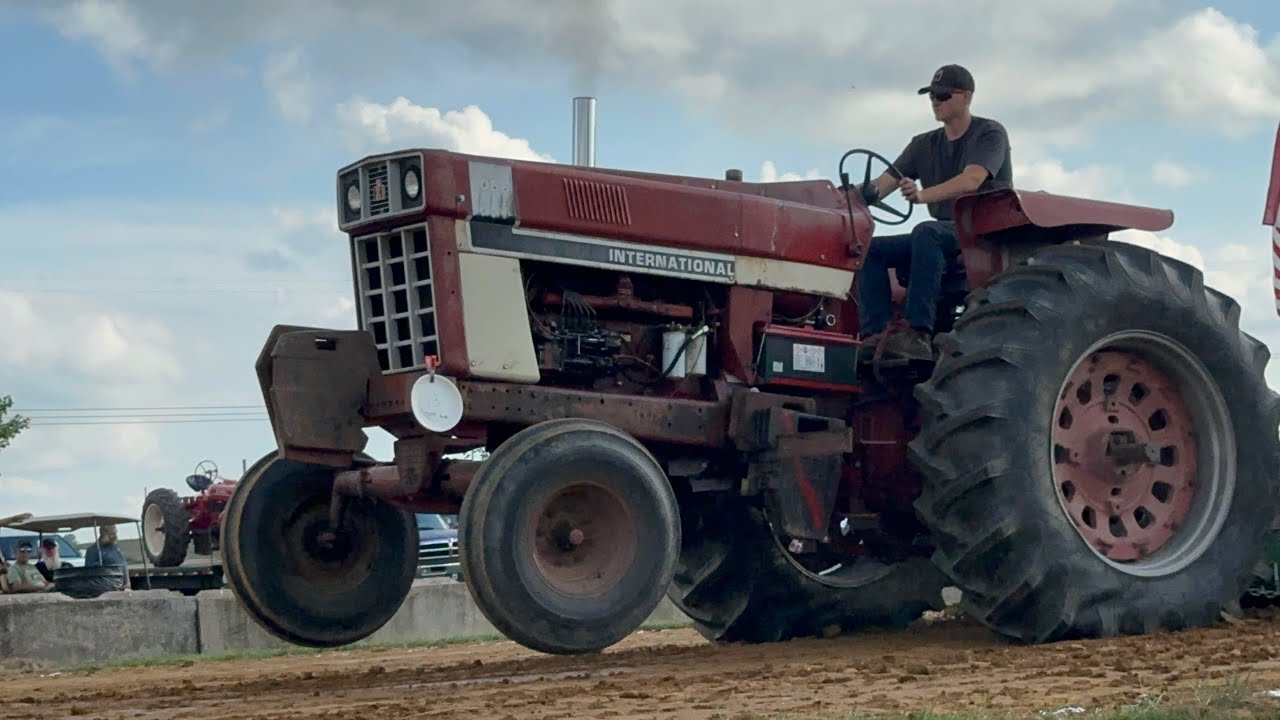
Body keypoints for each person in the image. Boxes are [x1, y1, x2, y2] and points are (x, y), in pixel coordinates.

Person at [856, 64, 1013, 361]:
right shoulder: (923, 144)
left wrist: (923, 195)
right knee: (873, 249)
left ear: (966, 97)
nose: (936, 102)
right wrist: (858, 196)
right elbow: (883, 184)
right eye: (932, 97)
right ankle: (876, 333)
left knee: (926, 232)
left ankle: (917, 334)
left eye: (943, 95)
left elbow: (972, 180)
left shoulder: (989, 133)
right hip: (946, 232)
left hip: (981, 231)